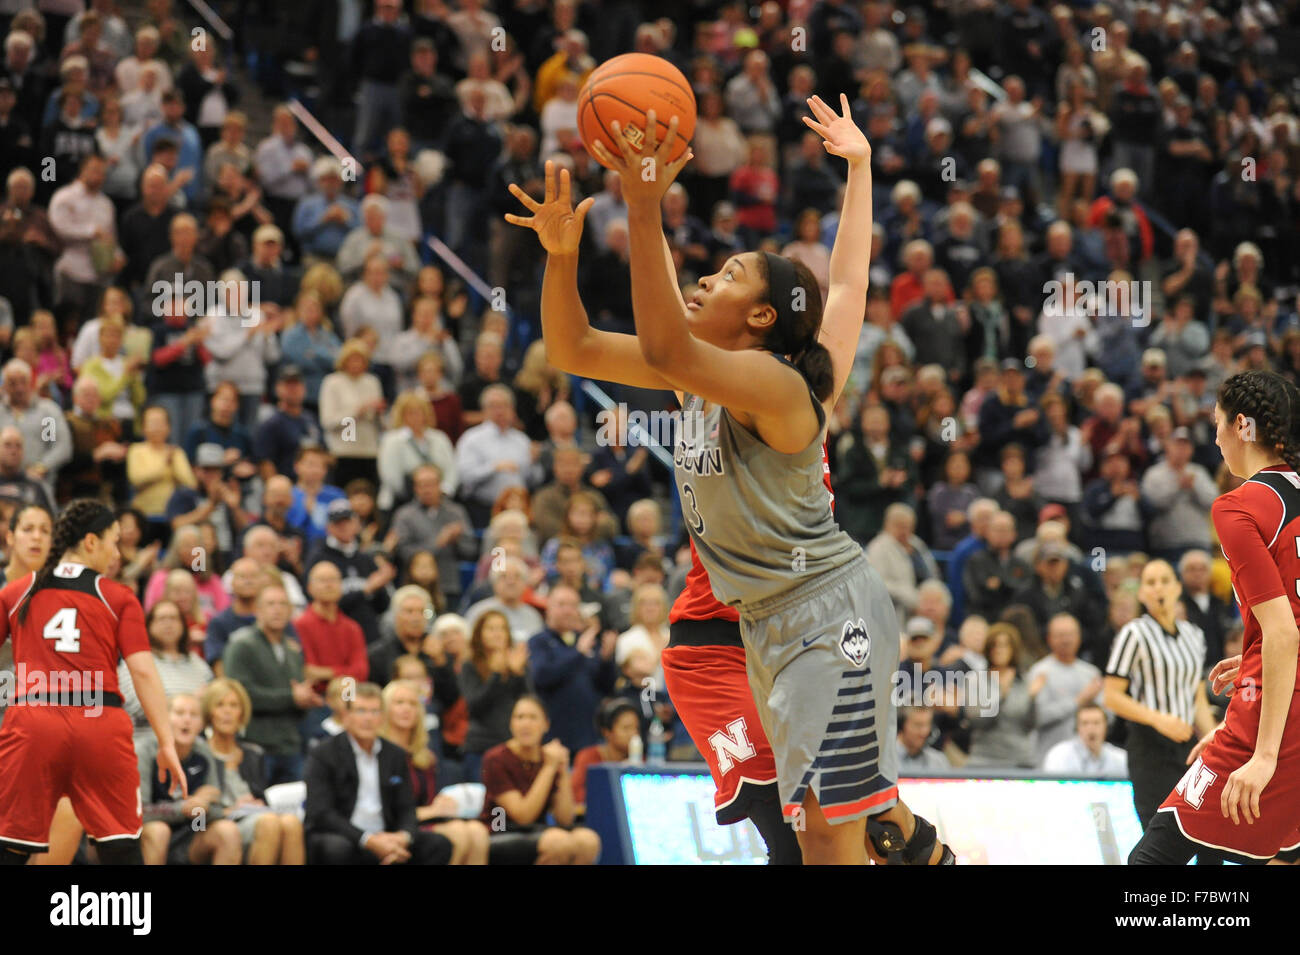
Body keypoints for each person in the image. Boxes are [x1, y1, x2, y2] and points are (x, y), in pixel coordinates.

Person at [516, 96, 949, 864]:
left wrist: (644, 208)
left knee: (817, 839)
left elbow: (675, 344)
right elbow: (571, 344)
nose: (707, 279)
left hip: (826, 613)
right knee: (815, 832)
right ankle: (911, 839)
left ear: (760, 321)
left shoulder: (784, 391)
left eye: (727, 274)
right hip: (754, 628)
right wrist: (560, 254)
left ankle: (904, 832)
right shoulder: (699, 382)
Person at [1132, 371, 1300, 864]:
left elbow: (1284, 632)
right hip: (1273, 693)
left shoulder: (1237, 507)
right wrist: (1250, 661)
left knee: (1149, 862)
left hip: (1279, 716)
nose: (1216, 436)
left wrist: (1262, 752)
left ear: (1243, 427)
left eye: (1218, 423)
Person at [0, 499, 187, 865]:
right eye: (113, 541)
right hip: (99, 721)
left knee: (12, 847)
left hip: (33, 721)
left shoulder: (16, 591)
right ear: (90, 542)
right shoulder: (117, 596)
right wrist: (166, 740)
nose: (116, 552)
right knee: (119, 845)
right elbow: (145, 672)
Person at [1105, 558, 1216, 831]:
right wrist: (1158, 719)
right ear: (1141, 594)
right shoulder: (1134, 633)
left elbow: (1197, 698)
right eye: (1150, 583)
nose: (1158, 588)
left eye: (1165, 581)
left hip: (1188, 745)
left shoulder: (1194, 635)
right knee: (1158, 836)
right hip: (1149, 745)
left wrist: (1214, 739)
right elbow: (1112, 696)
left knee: (1206, 832)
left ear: (1178, 588)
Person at [303, 682, 453, 865]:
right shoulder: (324, 754)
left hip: (386, 834)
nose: (368, 718)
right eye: (361, 711)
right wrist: (369, 841)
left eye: (374, 712)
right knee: (337, 849)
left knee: (438, 844)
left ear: (383, 717)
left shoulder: (395, 754)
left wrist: (402, 837)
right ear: (346, 716)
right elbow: (321, 813)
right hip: (345, 835)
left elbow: (406, 808)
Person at [480, 695, 601, 864]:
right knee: (558, 843)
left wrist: (563, 771)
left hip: (538, 832)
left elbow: (565, 819)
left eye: (533, 717)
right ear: (511, 724)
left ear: (546, 724)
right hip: (499, 831)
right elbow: (523, 816)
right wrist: (549, 768)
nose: (525, 724)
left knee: (588, 841)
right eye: (519, 717)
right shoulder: (496, 759)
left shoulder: (548, 758)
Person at [380, 679, 489, 865]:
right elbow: (385, 809)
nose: (406, 709)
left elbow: (431, 801)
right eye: (399, 703)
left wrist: (441, 805)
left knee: (477, 831)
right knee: (459, 834)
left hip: (426, 820)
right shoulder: (378, 753)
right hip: (396, 825)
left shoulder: (425, 757)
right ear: (385, 709)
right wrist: (430, 811)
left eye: (413, 704)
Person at [222, 584, 321, 785]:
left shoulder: (293, 650)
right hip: (255, 747)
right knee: (261, 814)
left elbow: (295, 695)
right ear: (257, 610)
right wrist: (291, 698)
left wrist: (306, 700)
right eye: (270, 604)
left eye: (283, 604)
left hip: (290, 747)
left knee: (294, 813)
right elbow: (240, 695)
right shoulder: (241, 645)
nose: (277, 609)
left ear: (291, 611)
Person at [201, 678, 306, 865]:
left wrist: (256, 803)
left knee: (291, 823)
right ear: (210, 712)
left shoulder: (253, 754)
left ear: (242, 713)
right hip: (212, 826)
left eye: (234, 705)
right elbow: (194, 813)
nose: (227, 712)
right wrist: (228, 811)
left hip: (253, 819)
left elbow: (262, 796)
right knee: (269, 823)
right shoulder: (199, 753)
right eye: (220, 705)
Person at [137, 693, 243, 865]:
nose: (187, 720)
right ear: (165, 719)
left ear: (201, 724)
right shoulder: (145, 751)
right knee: (159, 831)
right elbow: (138, 814)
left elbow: (215, 808)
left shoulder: (203, 751)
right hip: (148, 834)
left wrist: (201, 806)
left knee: (227, 831)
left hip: (192, 830)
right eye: (179, 713)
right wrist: (184, 808)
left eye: (193, 715)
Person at [527, 584, 618, 753]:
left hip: (588, 736)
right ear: (549, 607)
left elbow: (606, 687)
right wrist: (577, 653)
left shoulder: (586, 641)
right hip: (553, 737)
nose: (568, 611)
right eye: (561, 605)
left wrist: (606, 660)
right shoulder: (539, 641)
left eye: (573, 606)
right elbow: (541, 676)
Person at [117, 598, 214, 740]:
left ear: (183, 625)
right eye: (161, 619)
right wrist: (192, 700)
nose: (168, 624)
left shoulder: (198, 664)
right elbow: (135, 705)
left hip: (192, 748)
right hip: (149, 746)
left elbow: (212, 703)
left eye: (174, 618)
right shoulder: (134, 661)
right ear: (149, 625)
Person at [459, 610, 530, 783]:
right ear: (479, 634)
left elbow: (528, 703)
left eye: (502, 629)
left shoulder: (518, 663)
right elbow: (475, 706)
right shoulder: (470, 665)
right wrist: (496, 676)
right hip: (481, 749)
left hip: (513, 746)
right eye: (491, 628)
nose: (497, 634)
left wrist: (517, 674)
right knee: (487, 807)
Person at [1027, 613, 1103, 765]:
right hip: (1049, 759)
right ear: (1049, 639)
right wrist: (1079, 701)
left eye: (1070, 634)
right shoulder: (1040, 672)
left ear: (1079, 637)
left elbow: (1107, 716)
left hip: (1089, 761)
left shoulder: (1091, 673)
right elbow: (1037, 717)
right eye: (1060, 635)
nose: (1066, 640)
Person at [571, 697, 641, 807]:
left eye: (636, 728)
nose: (633, 734)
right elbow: (576, 795)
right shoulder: (588, 757)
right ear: (607, 732)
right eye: (626, 728)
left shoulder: (640, 759)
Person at [1043, 704, 1129, 776]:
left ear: (1106, 727)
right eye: (1085, 723)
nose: (1091, 728)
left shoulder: (1121, 758)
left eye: (1096, 723)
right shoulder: (1059, 755)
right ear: (1077, 728)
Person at [896, 707, 951, 774]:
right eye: (918, 725)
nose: (924, 732)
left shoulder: (938, 761)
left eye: (927, 725)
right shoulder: (884, 760)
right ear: (901, 726)